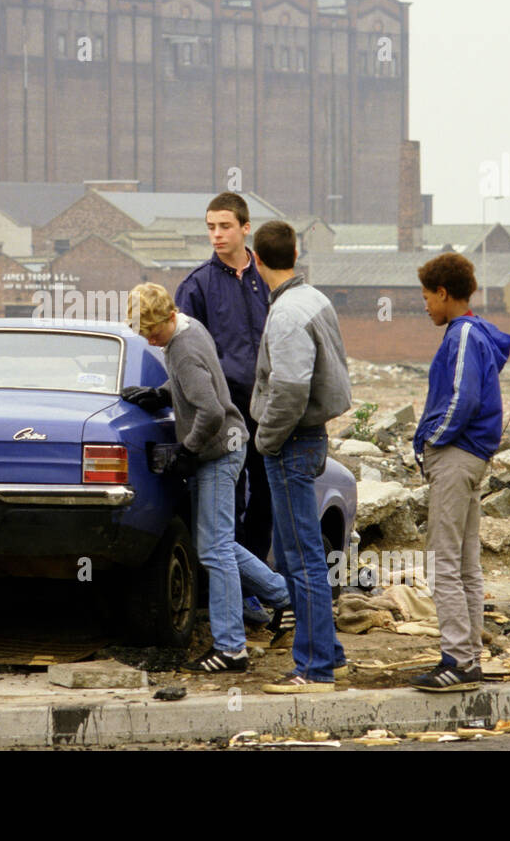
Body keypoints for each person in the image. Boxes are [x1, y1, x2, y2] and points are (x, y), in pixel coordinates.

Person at [125, 283, 293, 672]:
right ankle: (288, 598)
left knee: (214, 551)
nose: (151, 339)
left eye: (154, 331)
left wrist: (188, 449)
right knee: (216, 544)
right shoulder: (190, 329)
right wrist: (162, 394)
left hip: (217, 452)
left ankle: (232, 648)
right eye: (144, 334)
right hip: (225, 449)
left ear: (170, 316)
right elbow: (198, 383)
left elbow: (212, 410)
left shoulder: (180, 348)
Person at [249, 221, 353, 694]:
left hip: (290, 442)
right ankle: (329, 653)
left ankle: (313, 670)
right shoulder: (315, 298)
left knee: (301, 558)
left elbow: (290, 387)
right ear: (295, 253)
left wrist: (265, 439)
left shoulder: (287, 312)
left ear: (255, 259)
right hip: (309, 438)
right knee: (303, 554)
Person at [411, 252, 510, 692]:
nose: (425, 306)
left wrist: (432, 440)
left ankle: (456, 657)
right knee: (466, 565)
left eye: (427, 297)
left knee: (442, 563)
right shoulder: (475, 333)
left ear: (443, 293)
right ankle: (468, 658)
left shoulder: (463, 335)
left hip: (456, 455)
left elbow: (460, 397)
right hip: (472, 458)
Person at [175, 193, 277, 629]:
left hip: (270, 409)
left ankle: (259, 589)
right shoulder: (197, 286)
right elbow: (182, 353)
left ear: (245, 228)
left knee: (266, 501)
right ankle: (243, 599)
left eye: (225, 227)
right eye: (211, 227)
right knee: (229, 505)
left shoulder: (270, 281)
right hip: (225, 413)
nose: (217, 235)